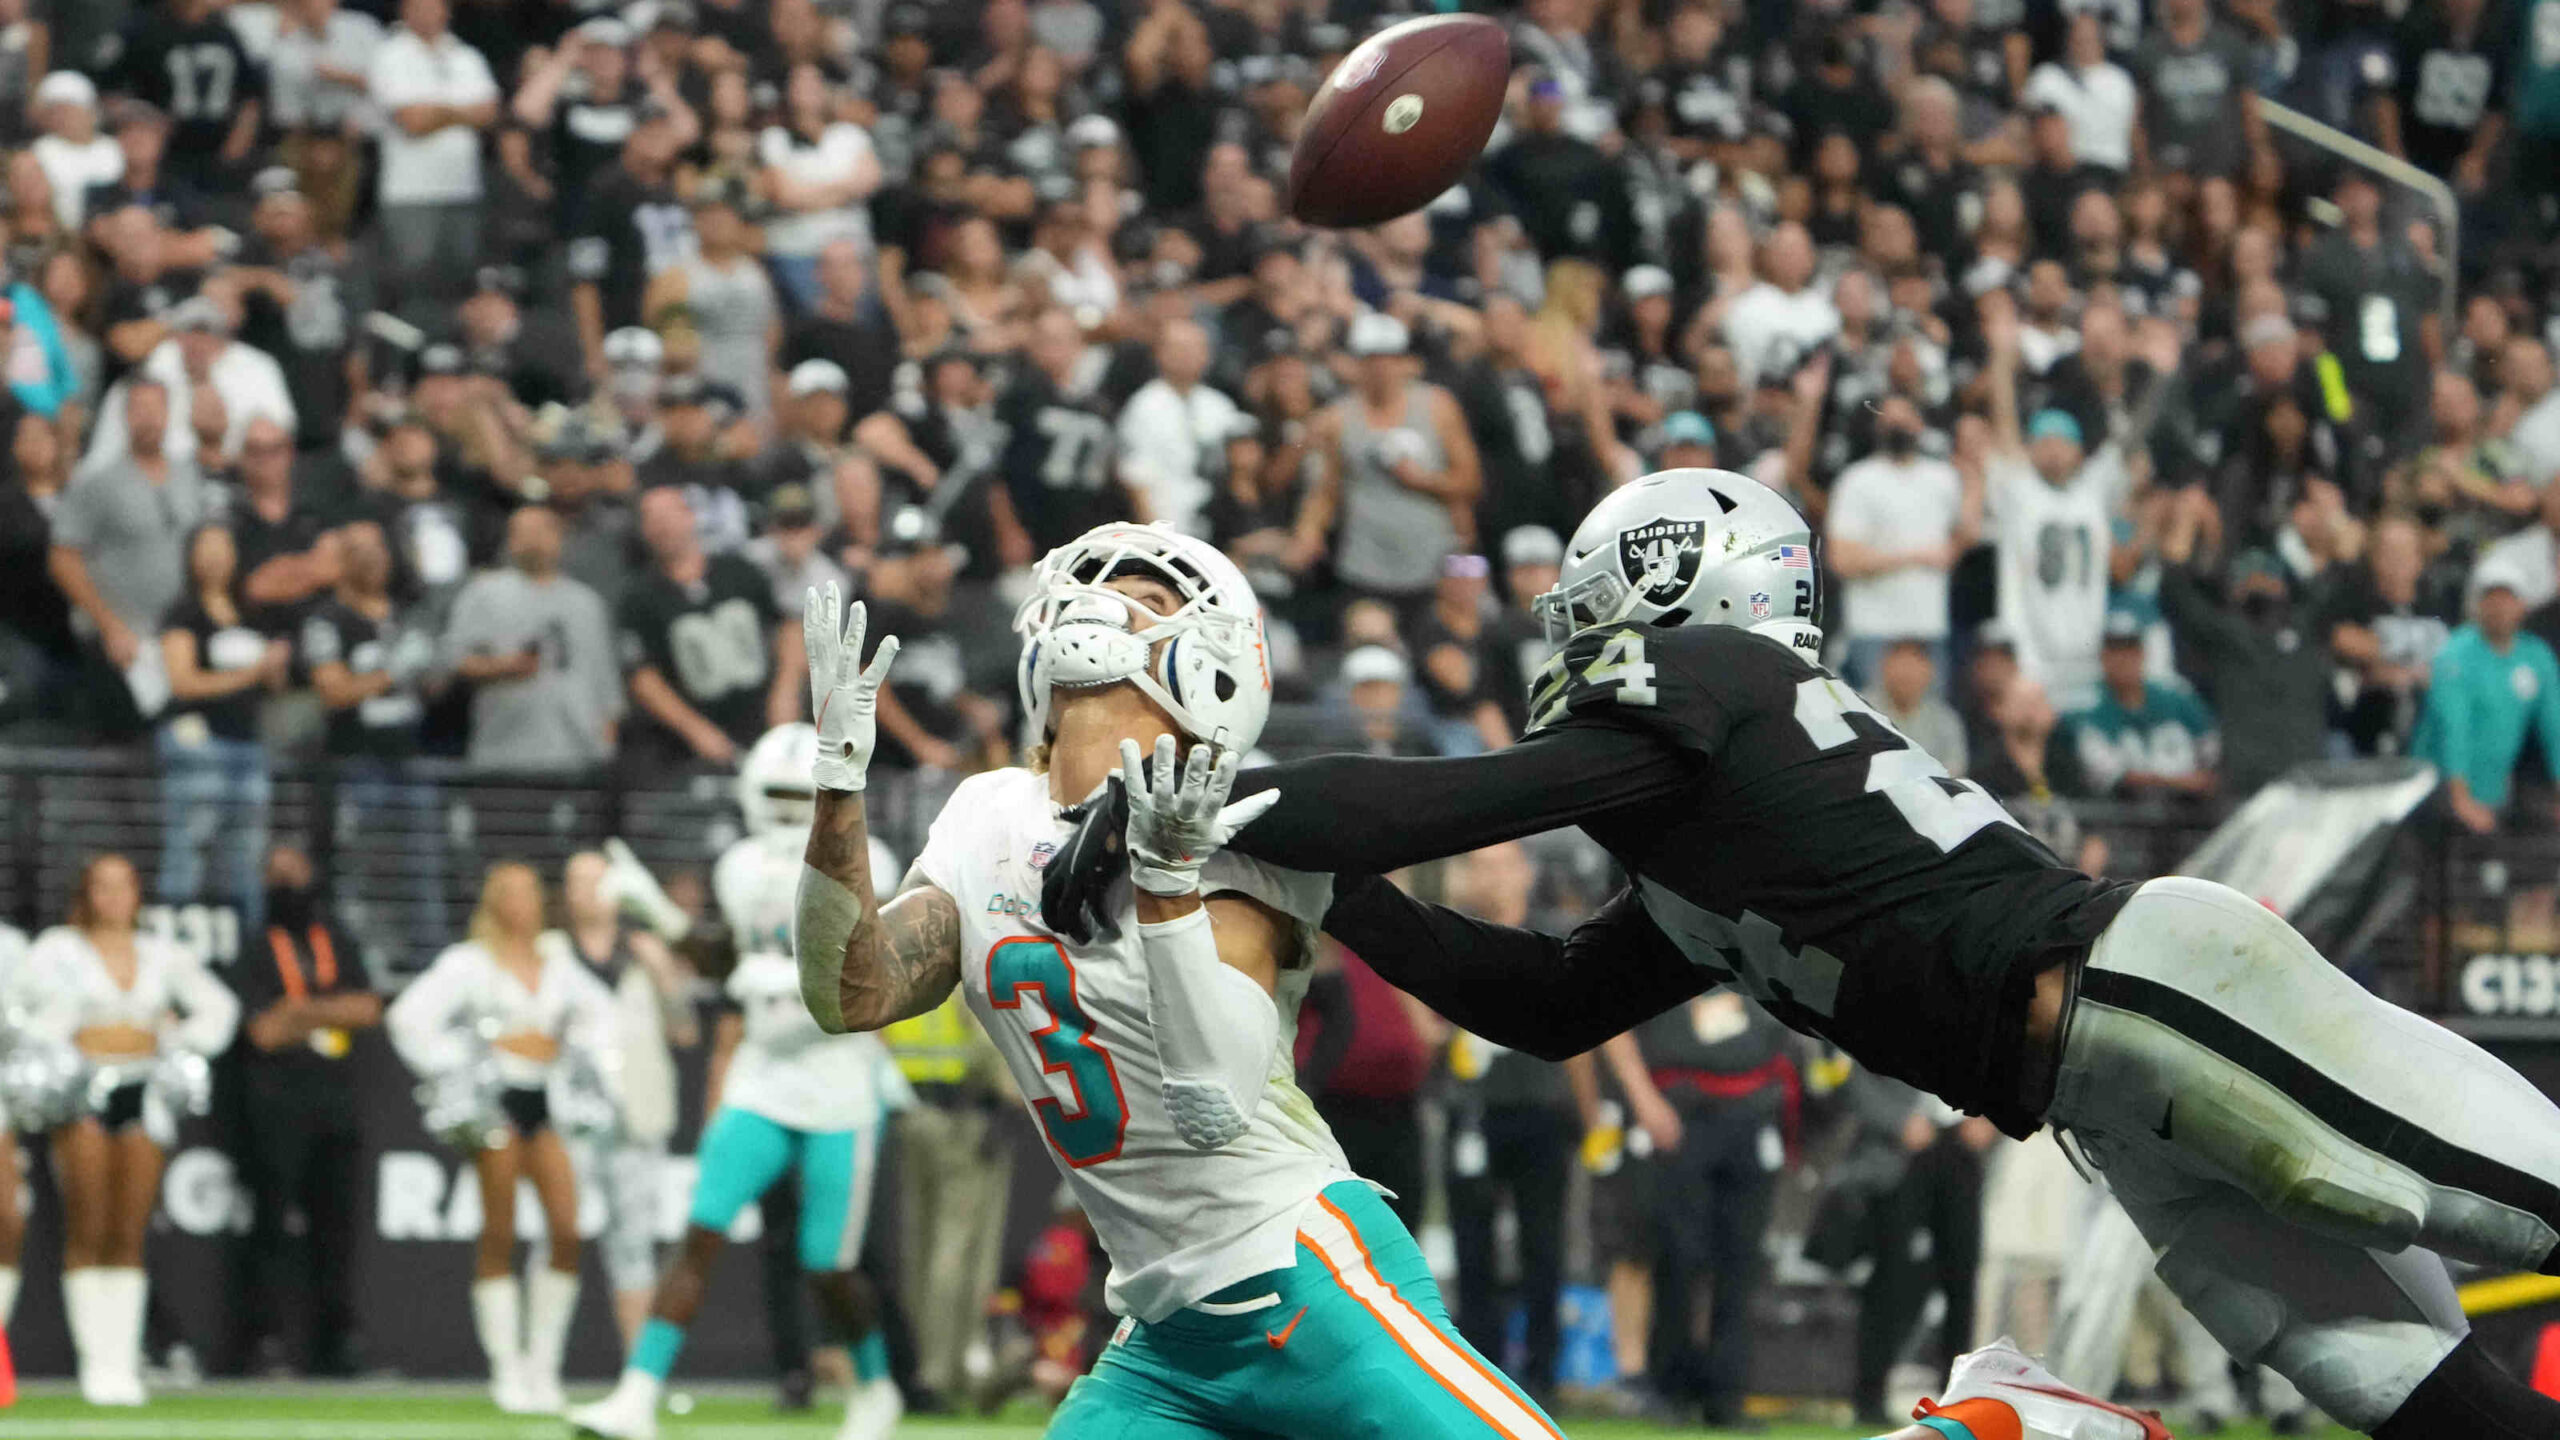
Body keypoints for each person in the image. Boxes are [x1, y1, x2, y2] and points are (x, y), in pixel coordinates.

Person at [1045, 468, 2560, 1439]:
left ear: (1669, 587)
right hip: (2104, 1098)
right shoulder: (1715, 836)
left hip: (2156, 991)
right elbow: (1547, 1003)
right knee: (2370, 1368)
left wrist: (1219, 791)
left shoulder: (1706, 676)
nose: (1569, 633)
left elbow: (1471, 799)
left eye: (1590, 598)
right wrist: (1322, 886)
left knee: (2507, 1196)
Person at [795, 525, 1565, 1440]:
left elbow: (1213, 1103)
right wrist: (838, 782)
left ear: (1212, 663)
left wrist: (1166, 882)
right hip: (1165, 1335)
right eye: (1094, 588)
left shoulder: (1248, 828)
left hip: (1304, 1280)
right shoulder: (985, 813)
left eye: (1147, 600)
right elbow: (851, 992)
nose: (1104, 605)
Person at [570, 726, 907, 1440]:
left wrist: (786, 979)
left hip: (839, 1081)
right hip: (763, 1076)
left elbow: (869, 968)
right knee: (701, 1230)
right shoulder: (740, 866)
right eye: (776, 796)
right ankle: (637, 1395)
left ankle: (877, 1388)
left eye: (797, 796)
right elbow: (727, 961)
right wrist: (660, 914)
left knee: (828, 1267)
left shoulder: (868, 859)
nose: (786, 812)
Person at [388, 861, 619, 1414]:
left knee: (567, 1230)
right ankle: (506, 1368)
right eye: (511, 893)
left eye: (531, 891)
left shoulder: (559, 962)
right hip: (495, 1103)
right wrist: (477, 1055)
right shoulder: (468, 963)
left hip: (548, 1101)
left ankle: (544, 1367)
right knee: (501, 1230)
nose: (524, 902)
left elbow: (604, 1018)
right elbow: (408, 1018)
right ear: (493, 903)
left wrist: (570, 1050)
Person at [23, 852, 239, 1405]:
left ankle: (123, 1362)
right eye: (103, 886)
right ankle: (95, 1364)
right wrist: (68, 1037)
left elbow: (219, 1009)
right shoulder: (57, 949)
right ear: (86, 893)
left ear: (138, 893)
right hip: (84, 1090)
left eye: (124, 885)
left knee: (128, 1231)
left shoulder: (162, 952)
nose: (114, 897)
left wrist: (175, 1038)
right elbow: (20, 1013)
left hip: (145, 1090)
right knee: (88, 1224)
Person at [225, 843, 382, 1377]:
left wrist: (300, 1011)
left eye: (296, 872)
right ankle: (262, 1340)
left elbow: (368, 1007)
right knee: (269, 1226)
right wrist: (327, 1010)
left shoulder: (336, 938)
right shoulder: (255, 947)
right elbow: (264, 1032)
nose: (288, 883)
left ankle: (338, 1343)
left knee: (337, 1229)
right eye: (277, 874)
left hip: (337, 1105)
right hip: (274, 1108)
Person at [1604, 990, 1791, 1427]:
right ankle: (1670, 1388)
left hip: (1752, 1109)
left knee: (1741, 1260)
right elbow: (1612, 1025)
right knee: (1677, 1254)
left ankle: (1727, 1396)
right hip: (1679, 1108)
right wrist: (1643, 1098)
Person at [555, 849, 697, 1352]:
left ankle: (640, 1372)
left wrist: (665, 974)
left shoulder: (645, 950)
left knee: (634, 1246)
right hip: (567, 1117)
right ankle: (535, 1370)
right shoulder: (550, 953)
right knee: (557, 1234)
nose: (589, 891)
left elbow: (685, 1033)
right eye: (577, 880)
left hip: (637, 1115)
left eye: (599, 880)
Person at [156, 522, 290, 930]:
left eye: (222, 545)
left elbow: (274, 685)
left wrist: (275, 666)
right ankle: (176, 935)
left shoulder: (252, 613)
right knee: (190, 845)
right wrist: (251, 673)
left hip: (247, 743)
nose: (214, 555)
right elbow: (182, 681)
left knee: (247, 853)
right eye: (206, 546)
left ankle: (246, 941)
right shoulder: (182, 613)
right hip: (198, 742)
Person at [618, 485, 802, 768]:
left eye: (668, 514)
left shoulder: (739, 570)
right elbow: (643, 678)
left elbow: (789, 628)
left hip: (766, 729)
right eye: (651, 518)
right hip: (689, 750)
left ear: (690, 516)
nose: (662, 525)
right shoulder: (638, 599)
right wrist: (695, 730)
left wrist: (786, 690)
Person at [442, 505, 624, 772]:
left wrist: (606, 748)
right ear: (510, 541)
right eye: (523, 532)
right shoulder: (484, 593)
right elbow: (454, 661)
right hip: (505, 751)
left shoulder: (587, 602)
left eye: (542, 530)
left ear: (560, 538)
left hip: (580, 751)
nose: (534, 538)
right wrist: (502, 667)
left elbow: (606, 685)